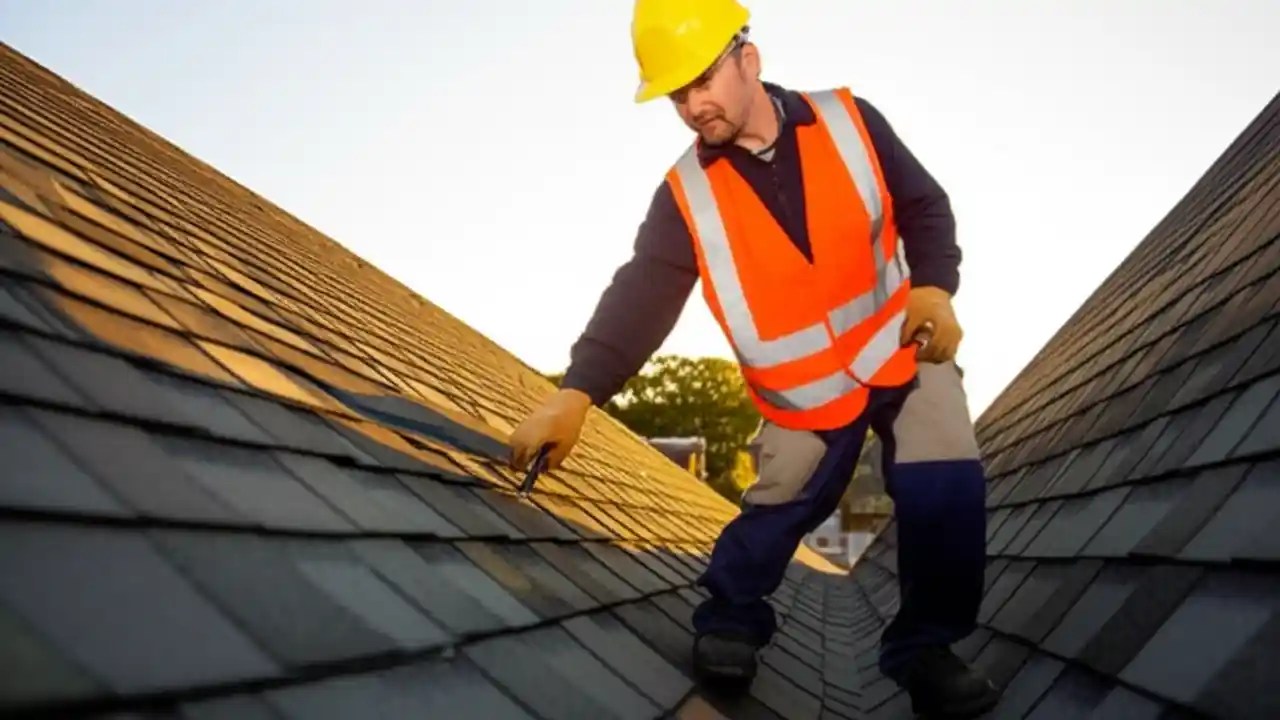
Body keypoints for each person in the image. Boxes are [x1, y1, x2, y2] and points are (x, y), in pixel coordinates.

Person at [509, 0, 1000, 716]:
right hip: (806, 390)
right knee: (780, 497)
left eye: (701, 81)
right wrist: (578, 392)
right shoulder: (687, 194)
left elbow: (925, 206)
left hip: (901, 339)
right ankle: (733, 619)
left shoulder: (851, 120)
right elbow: (643, 293)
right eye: (676, 94)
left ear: (749, 59)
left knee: (947, 474)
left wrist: (934, 287)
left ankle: (926, 648)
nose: (691, 105)